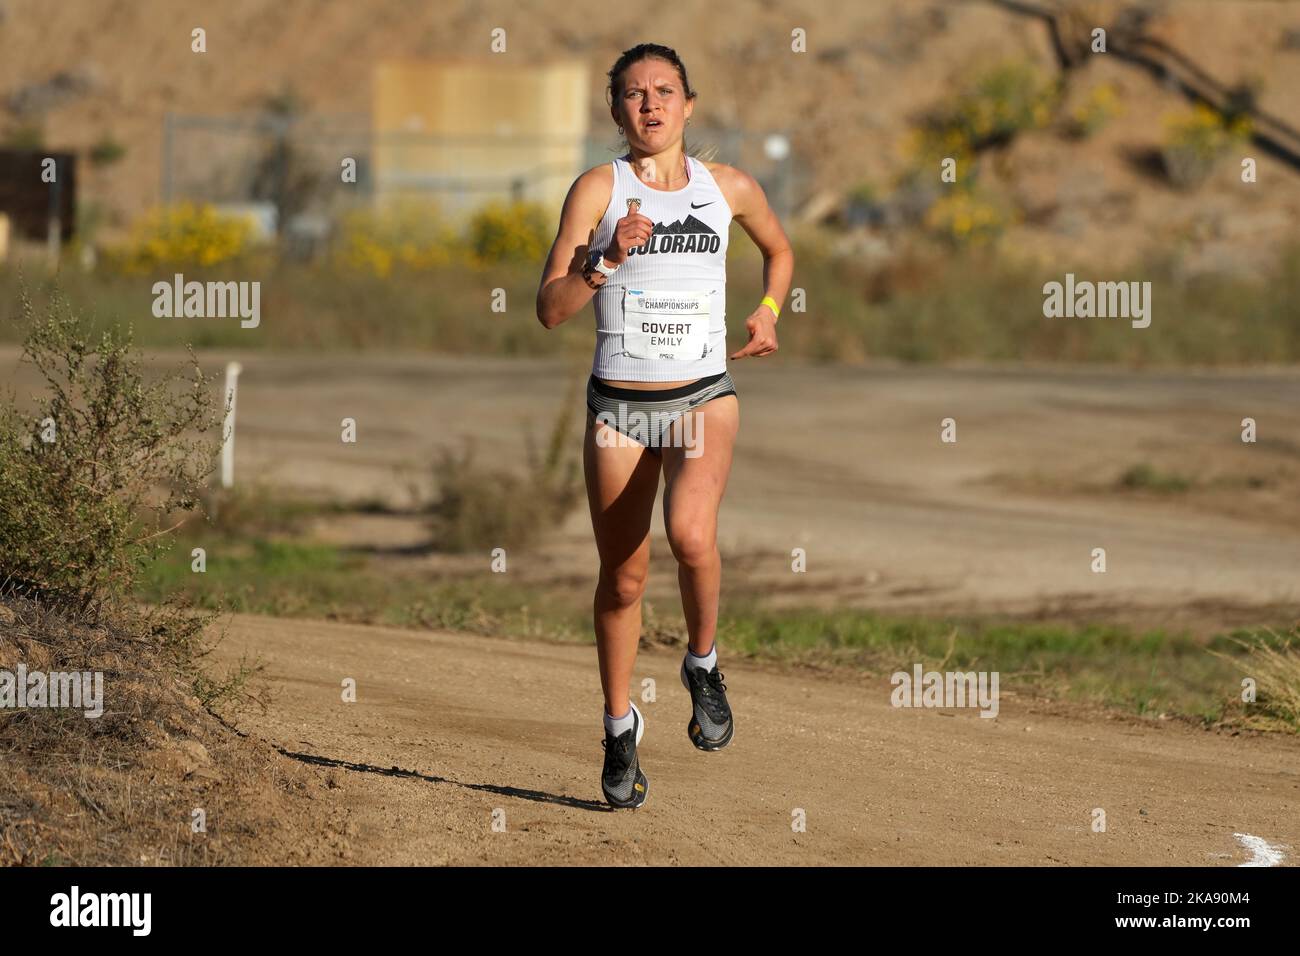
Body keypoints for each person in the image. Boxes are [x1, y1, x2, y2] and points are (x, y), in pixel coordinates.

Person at [535, 43, 793, 809]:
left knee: (691, 537)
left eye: (664, 91)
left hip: (701, 397)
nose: (650, 104)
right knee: (623, 578)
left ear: (688, 105)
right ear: (615, 111)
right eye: (634, 94)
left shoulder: (729, 188)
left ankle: (703, 664)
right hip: (619, 407)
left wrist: (770, 311)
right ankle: (620, 728)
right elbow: (549, 311)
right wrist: (604, 260)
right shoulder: (597, 190)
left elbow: (779, 250)